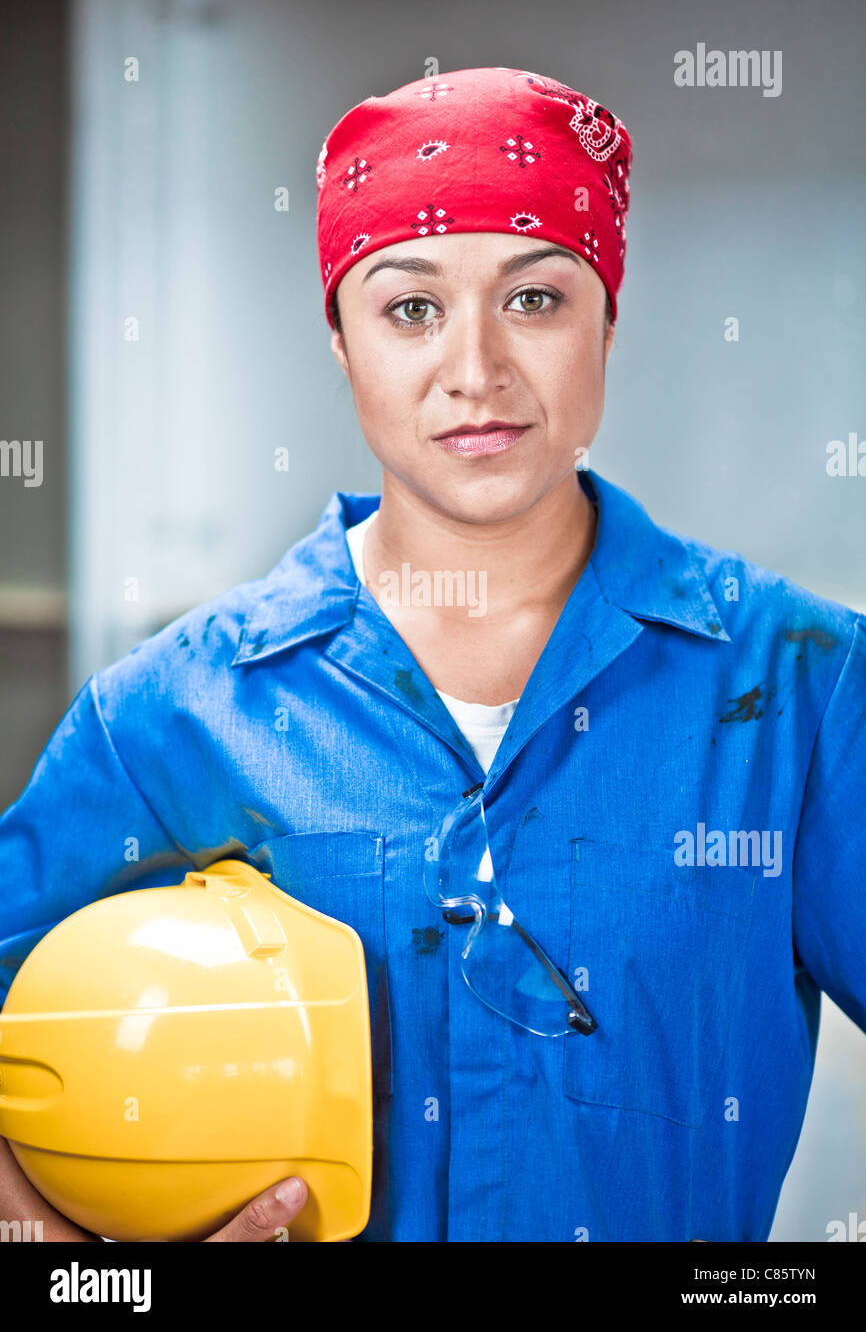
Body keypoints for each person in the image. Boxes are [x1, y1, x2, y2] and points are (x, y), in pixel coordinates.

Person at [1, 66, 864, 1243]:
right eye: (410, 307)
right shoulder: (173, 712)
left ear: (606, 320)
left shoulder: (800, 690)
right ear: (342, 341)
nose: (475, 370)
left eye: (535, 300)